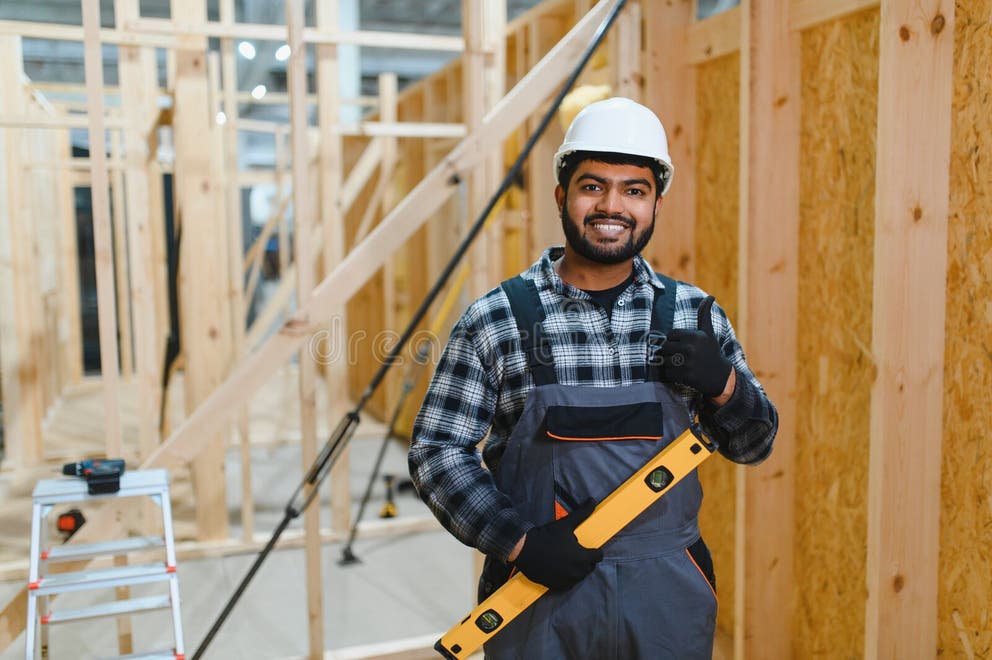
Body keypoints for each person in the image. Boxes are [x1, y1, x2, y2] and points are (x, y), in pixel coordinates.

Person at [409, 97, 778, 658]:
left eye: (634, 190)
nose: (612, 206)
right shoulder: (497, 317)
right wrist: (517, 542)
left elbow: (755, 445)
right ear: (562, 196)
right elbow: (438, 450)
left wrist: (724, 384)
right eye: (592, 186)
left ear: (656, 202)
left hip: (666, 596)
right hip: (538, 592)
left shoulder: (694, 314)